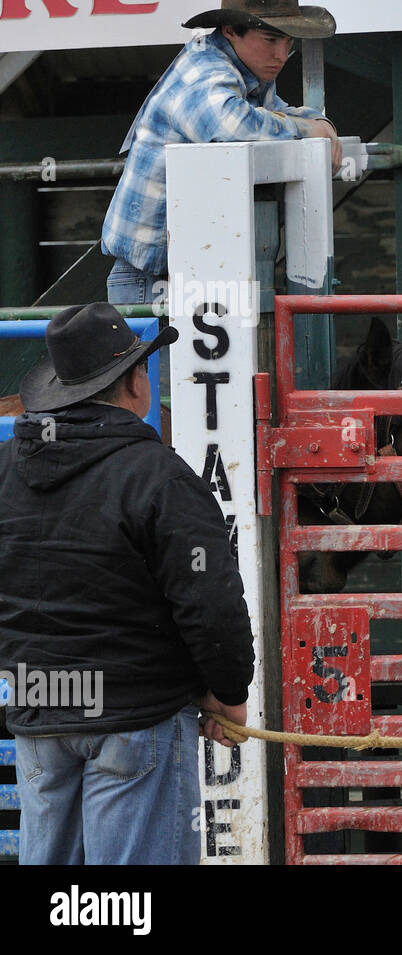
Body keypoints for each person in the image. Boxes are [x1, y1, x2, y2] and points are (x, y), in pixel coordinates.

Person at [0, 303, 256, 865]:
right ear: (135, 383)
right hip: (135, 713)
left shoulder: (6, 467)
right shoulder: (158, 474)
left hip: (40, 706)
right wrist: (229, 693)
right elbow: (209, 600)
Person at [102, 0, 341, 307]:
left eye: (288, 42)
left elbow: (276, 114)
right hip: (153, 275)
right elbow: (231, 127)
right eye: (270, 40)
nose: (281, 55)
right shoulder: (204, 69)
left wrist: (320, 123)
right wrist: (312, 130)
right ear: (230, 31)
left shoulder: (244, 70)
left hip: (184, 268)